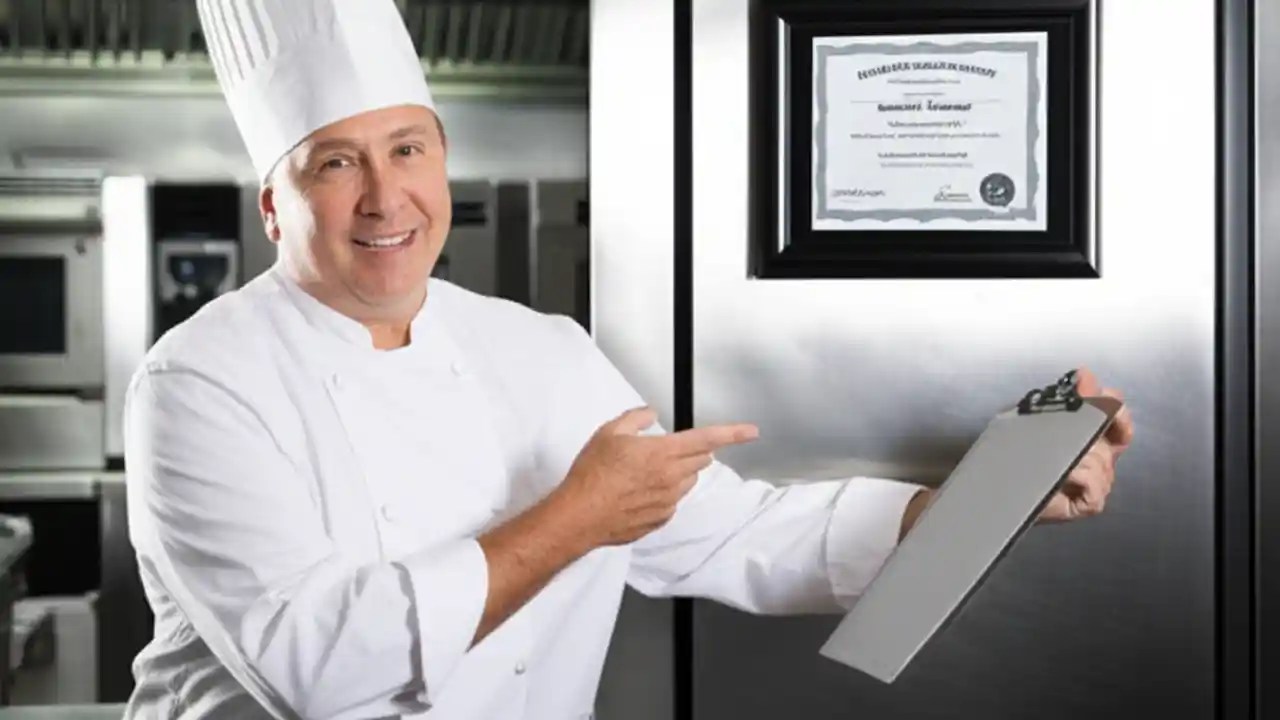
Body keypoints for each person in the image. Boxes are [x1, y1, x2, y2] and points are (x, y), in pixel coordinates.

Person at [121, 1, 1135, 718]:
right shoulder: (203, 382)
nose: (384, 200)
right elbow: (316, 669)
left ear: (442, 164)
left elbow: (739, 538)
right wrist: (577, 516)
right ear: (272, 205)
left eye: (407, 150)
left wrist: (997, 501)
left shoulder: (540, 352)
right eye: (334, 164)